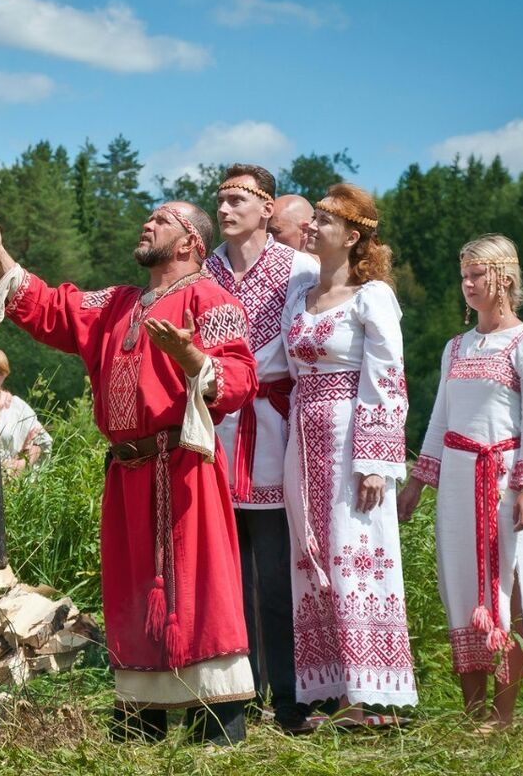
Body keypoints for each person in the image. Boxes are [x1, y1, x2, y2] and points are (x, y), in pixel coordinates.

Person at [0, 202, 258, 744]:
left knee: (197, 589)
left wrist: (193, 357)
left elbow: (238, 378)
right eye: (149, 218)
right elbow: (55, 307)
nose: (148, 224)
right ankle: (141, 717)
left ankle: (215, 722)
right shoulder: (119, 303)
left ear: (191, 240)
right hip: (127, 474)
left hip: (184, 467)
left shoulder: (210, 297)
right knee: (131, 592)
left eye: (163, 220)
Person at [398, 234, 523, 730]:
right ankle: (472, 714)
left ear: (504, 277)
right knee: (462, 590)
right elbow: (440, 418)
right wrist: (417, 483)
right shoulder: (455, 347)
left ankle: (503, 716)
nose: (466, 284)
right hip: (459, 483)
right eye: (462, 275)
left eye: (476, 275)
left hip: (504, 480)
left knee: (505, 587)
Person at [280, 183, 417, 723]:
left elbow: (387, 377)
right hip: (302, 430)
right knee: (311, 554)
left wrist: (378, 461)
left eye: (323, 220)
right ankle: (335, 693)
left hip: (349, 435)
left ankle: (370, 695)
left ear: (353, 236)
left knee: (355, 547)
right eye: (311, 217)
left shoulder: (373, 296)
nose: (311, 226)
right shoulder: (300, 295)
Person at [203, 165, 319, 731]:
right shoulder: (205, 271)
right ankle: (237, 693)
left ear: (267, 207)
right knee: (228, 573)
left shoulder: (301, 269)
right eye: (220, 199)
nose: (225, 210)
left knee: (276, 574)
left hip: (275, 427)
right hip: (219, 427)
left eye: (237, 200)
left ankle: (291, 697)